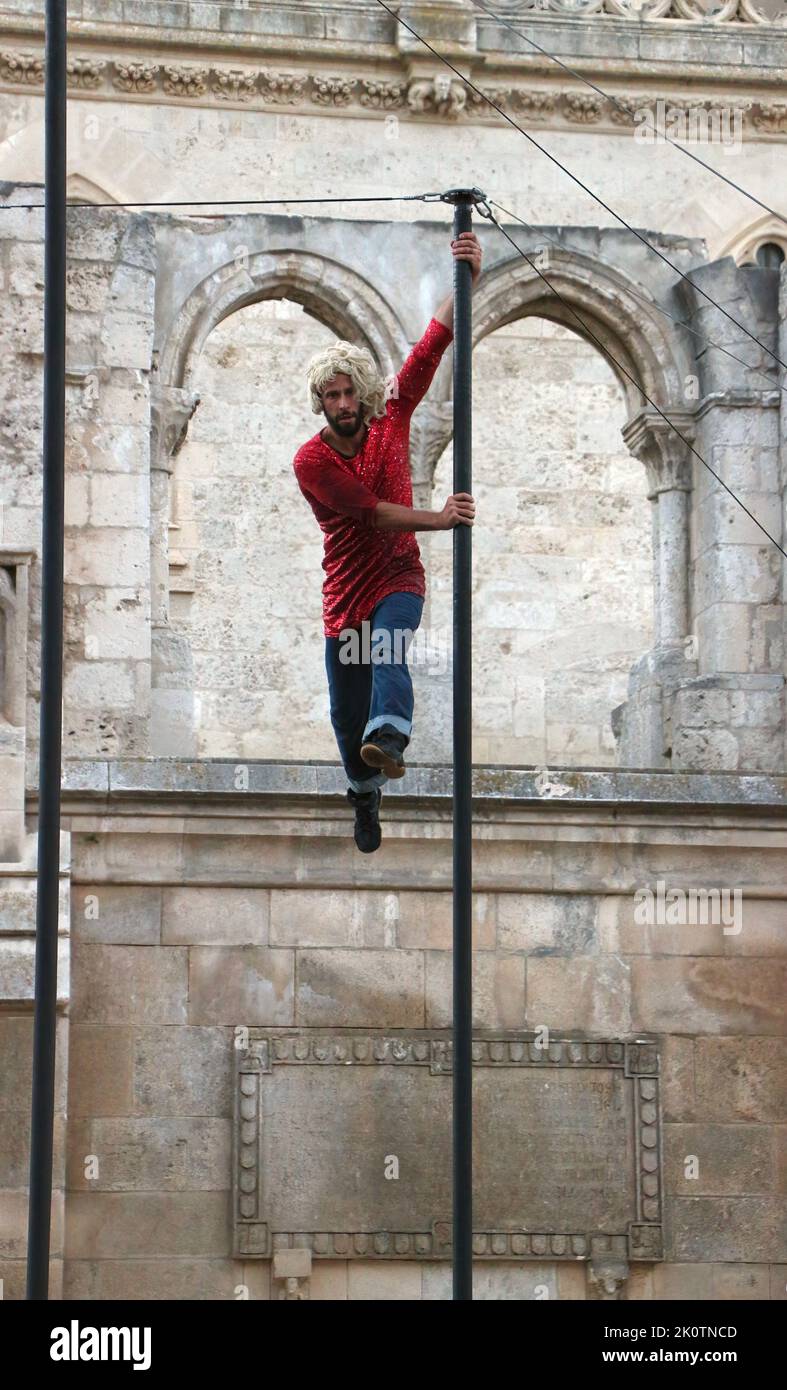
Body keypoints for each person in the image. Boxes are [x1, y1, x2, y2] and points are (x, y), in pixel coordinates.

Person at [293, 230, 482, 852]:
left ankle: (392, 737)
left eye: (350, 391)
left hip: (398, 577)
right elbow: (371, 514)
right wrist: (441, 517)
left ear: (363, 393)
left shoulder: (391, 416)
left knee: (390, 646)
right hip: (345, 593)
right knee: (345, 712)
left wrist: (464, 279)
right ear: (321, 402)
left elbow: (430, 348)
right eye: (332, 395)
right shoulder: (311, 462)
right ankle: (364, 790)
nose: (344, 403)